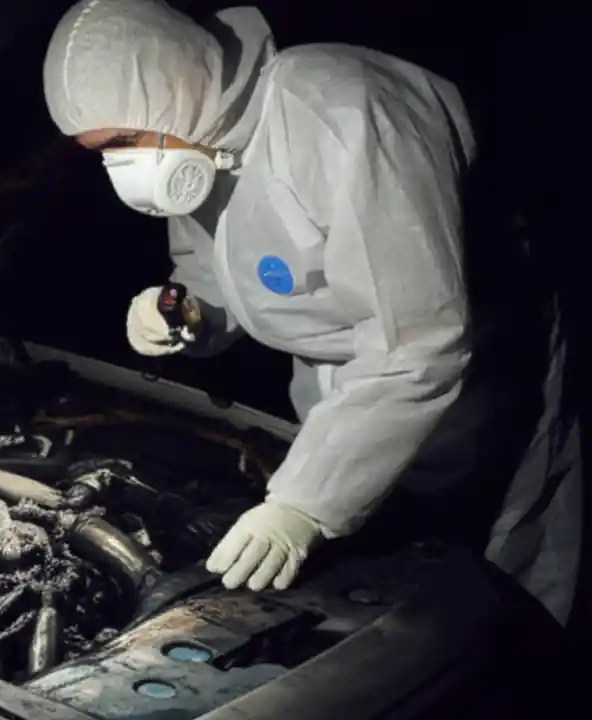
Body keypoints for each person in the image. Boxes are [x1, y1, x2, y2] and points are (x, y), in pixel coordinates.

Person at [42, 0, 582, 623]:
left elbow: (420, 341)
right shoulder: (203, 140)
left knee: (497, 576)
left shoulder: (340, 108)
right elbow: (217, 272)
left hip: (475, 391)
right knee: (389, 585)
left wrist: (305, 502)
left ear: (170, 91)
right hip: (342, 407)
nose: (120, 168)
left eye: (124, 141)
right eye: (101, 153)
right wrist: (191, 313)